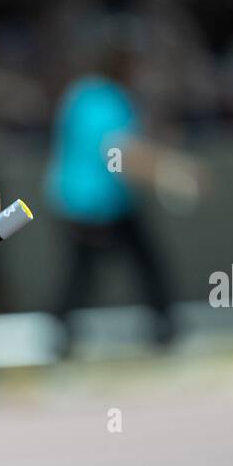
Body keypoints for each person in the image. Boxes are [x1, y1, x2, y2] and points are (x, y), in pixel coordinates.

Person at [45, 26, 196, 355]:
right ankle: (165, 328)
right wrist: (169, 173)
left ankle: (60, 334)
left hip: (73, 200)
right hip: (101, 203)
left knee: (84, 271)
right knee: (140, 264)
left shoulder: (80, 94)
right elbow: (121, 153)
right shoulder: (109, 100)